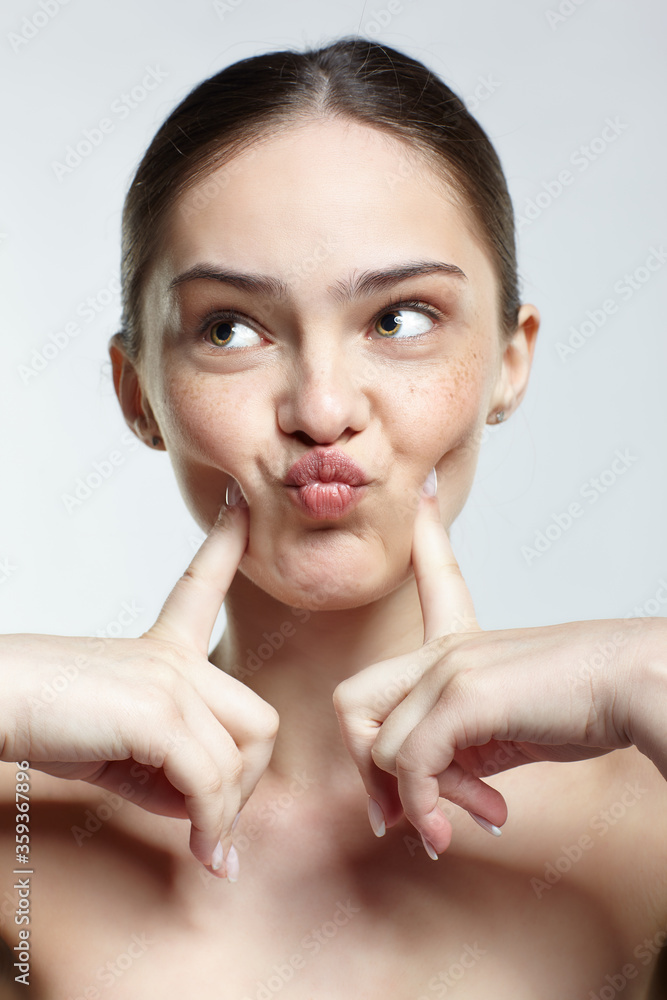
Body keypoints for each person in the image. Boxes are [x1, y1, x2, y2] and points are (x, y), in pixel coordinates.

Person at [1, 35, 666, 998]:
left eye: (400, 318)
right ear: (135, 388)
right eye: (230, 327)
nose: (320, 407)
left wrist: (649, 670)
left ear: (510, 360)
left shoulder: (645, 821)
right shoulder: (24, 834)